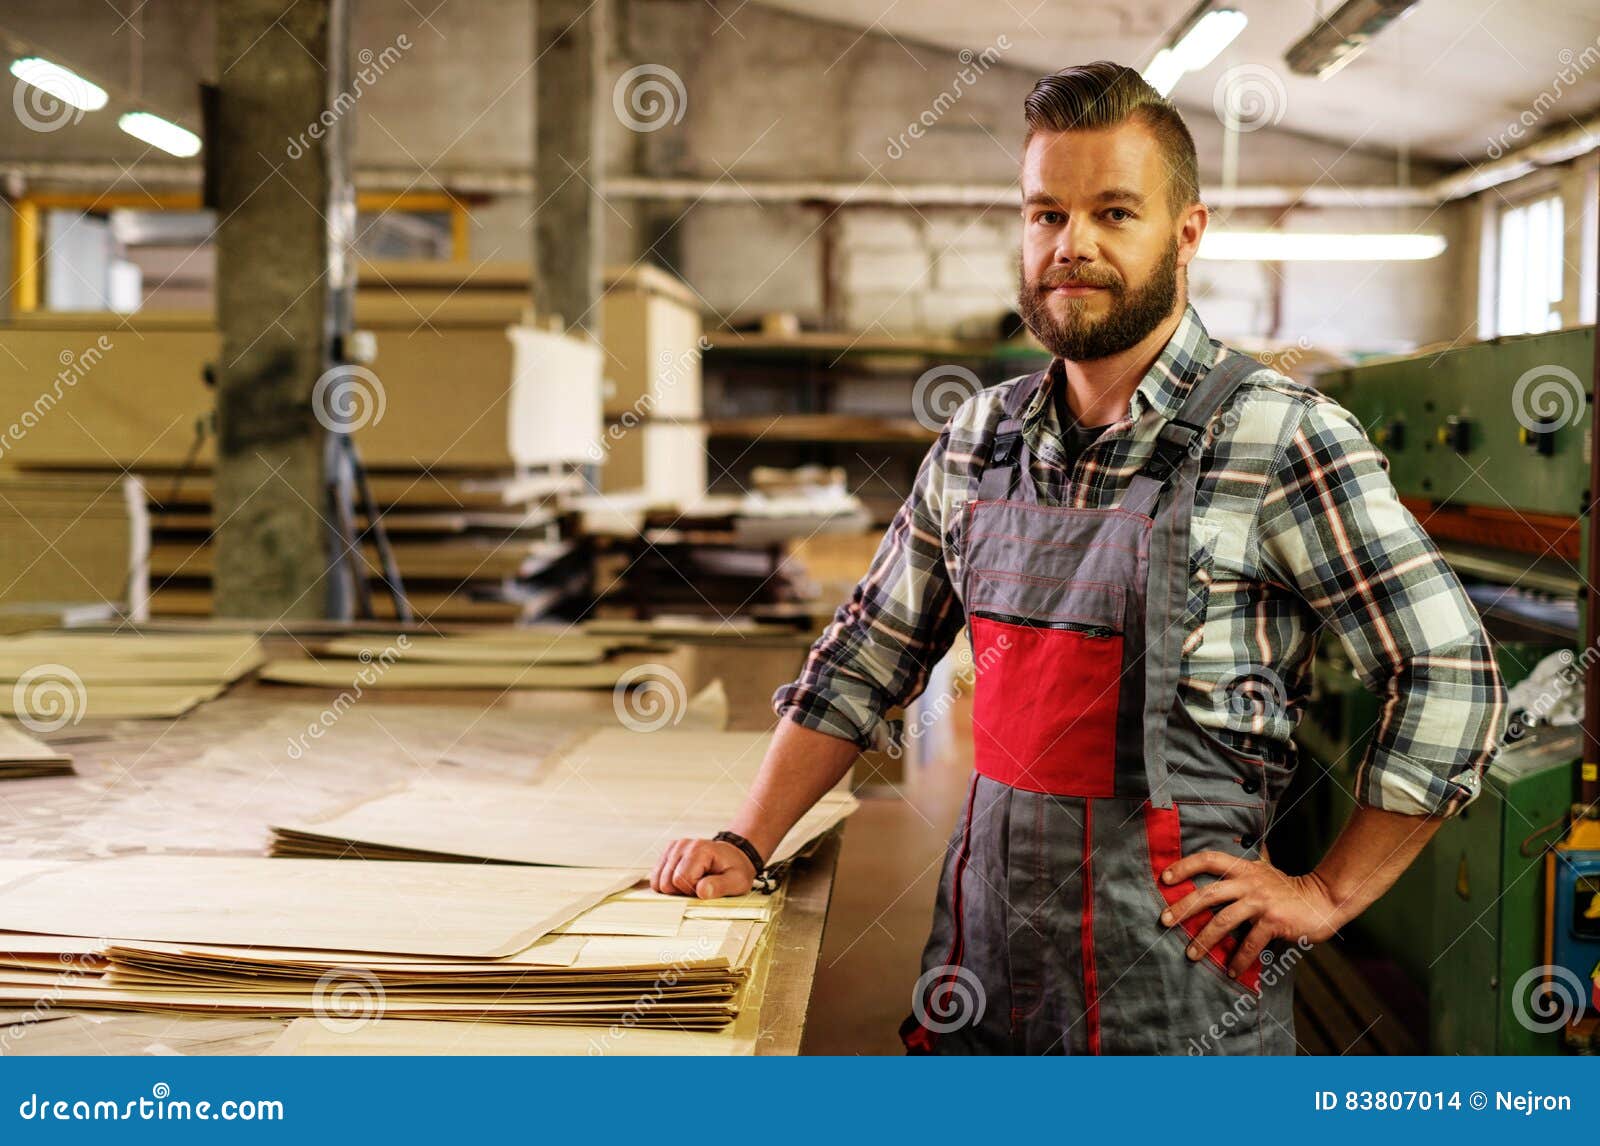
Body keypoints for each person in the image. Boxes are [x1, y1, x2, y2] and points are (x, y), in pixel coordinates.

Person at [650, 61, 1504, 1055]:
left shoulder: (1278, 439)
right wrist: (745, 841)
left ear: (1186, 233)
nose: (1072, 245)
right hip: (982, 982)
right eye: (1046, 213)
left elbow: (1450, 673)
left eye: (1112, 213)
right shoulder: (980, 440)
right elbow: (862, 658)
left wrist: (1326, 891)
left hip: (1178, 1012)